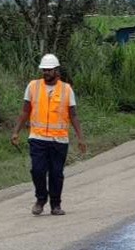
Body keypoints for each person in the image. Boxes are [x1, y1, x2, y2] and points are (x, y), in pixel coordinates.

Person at [10, 54, 87, 216]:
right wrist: (16, 131)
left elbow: (73, 115)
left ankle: (56, 205)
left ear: (56, 71)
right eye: (44, 70)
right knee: (37, 170)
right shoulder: (33, 86)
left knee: (56, 173)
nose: (46, 73)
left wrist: (80, 137)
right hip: (37, 138)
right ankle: (40, 199)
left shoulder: (66, 89)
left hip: (59, 140)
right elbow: (25, 111)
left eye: (49, 70)